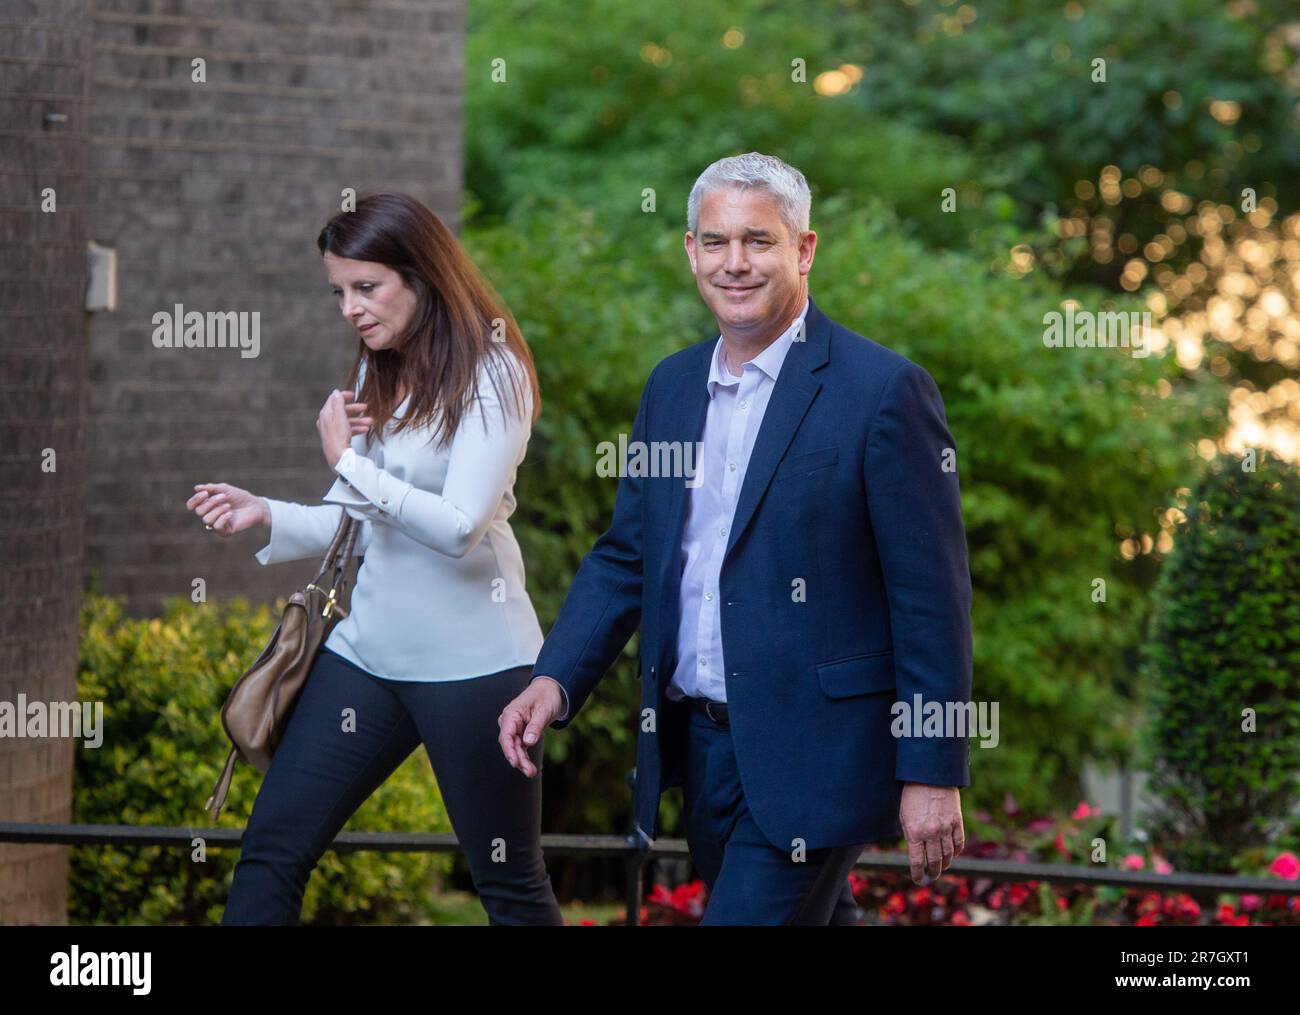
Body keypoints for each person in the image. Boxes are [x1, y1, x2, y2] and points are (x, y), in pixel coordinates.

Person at [498, 153, 973, 925]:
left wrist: (931, 766)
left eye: (759, 240)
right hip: (704, 752)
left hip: (818, 755)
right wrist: (555, 678)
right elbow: (629, 554)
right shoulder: (672, 386)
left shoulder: (882, 391)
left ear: (804, 250)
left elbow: (932, 599)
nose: (736, 262)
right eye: (715, 242)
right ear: (691, 252)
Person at [187, 192, 562, 925]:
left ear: (421, 275)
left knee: (509, 884)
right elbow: (355, 517)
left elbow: (457, 527)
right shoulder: (378, 371)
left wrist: (349, 465)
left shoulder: (495, 374)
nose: (350, 309)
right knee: (272, 847)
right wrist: (266, 511)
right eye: (339, 291)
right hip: (367, 657)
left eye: (367, 287)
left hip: (477, 669)